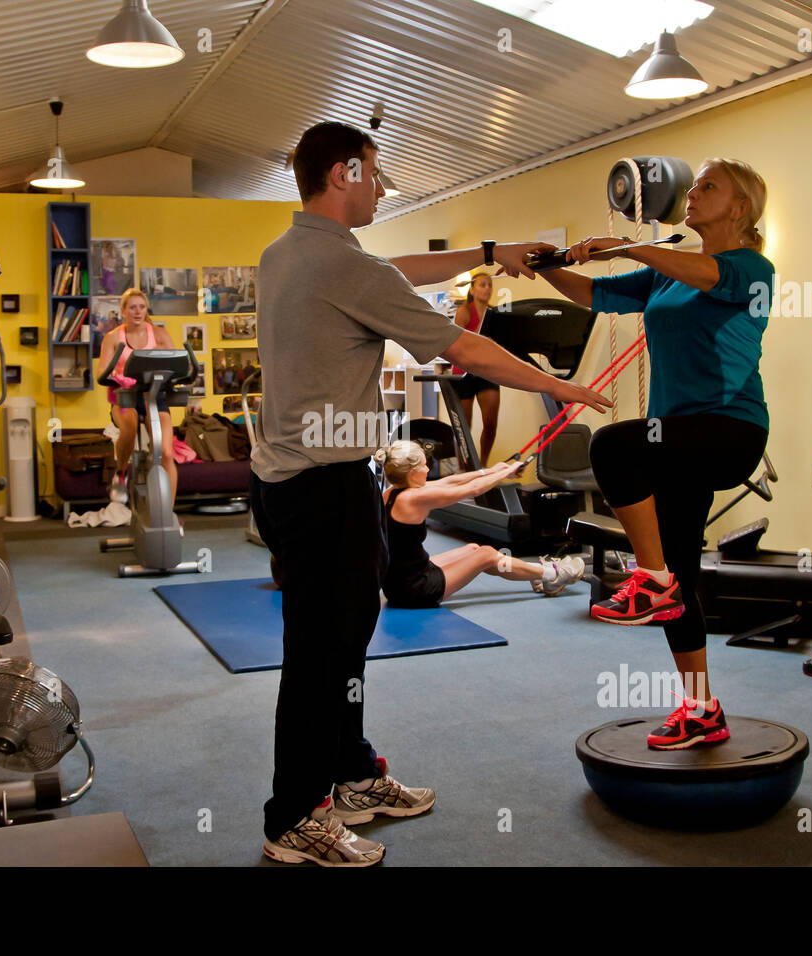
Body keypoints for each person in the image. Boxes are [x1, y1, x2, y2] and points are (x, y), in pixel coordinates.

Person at [250, 120, 611, 866]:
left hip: (295, 485)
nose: (383, 186)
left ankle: (349, 773)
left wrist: (488, 257)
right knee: (320, 656)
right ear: (345, 172)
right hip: (324, 491)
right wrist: (556, 383)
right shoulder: (346, 268)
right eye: (376, 173)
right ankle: (293, 818)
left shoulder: (288, 252)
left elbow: (390, 267)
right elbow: (464, 347)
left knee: (342, 643)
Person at [538, 158, 772, 751]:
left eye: (708, 186)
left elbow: (703, 274)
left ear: (740, 208)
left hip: (727, 431)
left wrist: (627, 246)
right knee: (684, 582)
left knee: (612, 444)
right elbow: (592, 295)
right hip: (676, 441)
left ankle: (651, 577)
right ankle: (701, 708)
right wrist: (544, 267)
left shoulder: (751, 268)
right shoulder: (669, 274)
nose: (692, 193)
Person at [375, 440, 584, 607]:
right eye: (423, 465)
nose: (428, 468)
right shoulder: (414, 498)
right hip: (416, 589)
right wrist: (506, 473)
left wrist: (490, 471)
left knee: (473, 549)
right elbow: (473, 490)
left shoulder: (392, 493)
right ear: (412, 473)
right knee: (486, 555)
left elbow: (449, 481)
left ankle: (535, 574)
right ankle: (553, 575)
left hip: (398, 582)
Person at [97, 288, 179, 509]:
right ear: (123, 310)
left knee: (166, 453)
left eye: (141, 307)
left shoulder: (159, 334)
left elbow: (173, 364)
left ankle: (168, 513)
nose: (137, 311)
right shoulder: (113, 337)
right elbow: (101, 372)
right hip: (123, 398)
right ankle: (122, 472)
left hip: (153, 397)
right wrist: (117, 377)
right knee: (130, 427)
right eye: (132, 307)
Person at [451, 272, 502, 464]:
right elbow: (461, 341)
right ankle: (463, 468)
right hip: (464, 371)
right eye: (482, 285)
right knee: (464, 426)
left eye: (489, 285)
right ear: (472, 289)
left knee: (490, 423)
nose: (487, 288)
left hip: (487, 371)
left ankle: (483, 464)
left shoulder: (495, 313)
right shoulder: (464, 312)